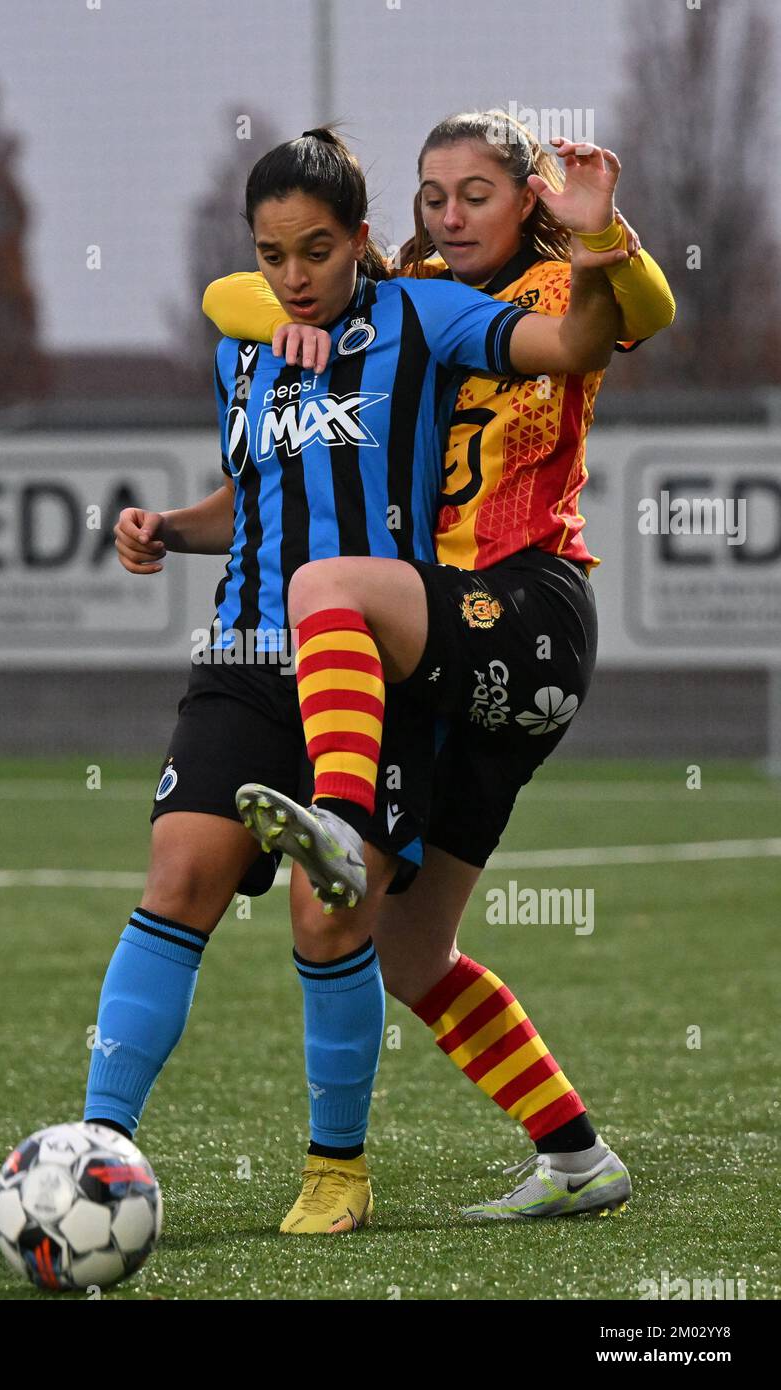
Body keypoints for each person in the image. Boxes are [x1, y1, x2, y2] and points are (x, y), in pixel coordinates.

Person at [88, 125, 622, 1239]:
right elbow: (255, 490)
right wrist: (164, 529)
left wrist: (603, 253)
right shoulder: (244, 344)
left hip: (370, 667)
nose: (295, 275)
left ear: (364, 243)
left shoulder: (423, 317)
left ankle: (337, 1169)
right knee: (178, 876)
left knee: (331, 917)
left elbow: (574, 343)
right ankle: (99, 1147)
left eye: (318, 251)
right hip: (247, 648)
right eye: (274, 254)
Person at [201, 111, 675, 1218]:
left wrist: (607, 237)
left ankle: (336, 810)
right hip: (458, 643)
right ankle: (577, 1158)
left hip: (526, 605)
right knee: (410, 949)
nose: (451, 216)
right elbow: (233, 294)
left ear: (533, 198)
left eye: (478, 193)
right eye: (432, 195)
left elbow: (638, 315)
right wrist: (287, 319)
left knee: (328, 585)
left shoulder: (569, 287)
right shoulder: (408, 285)